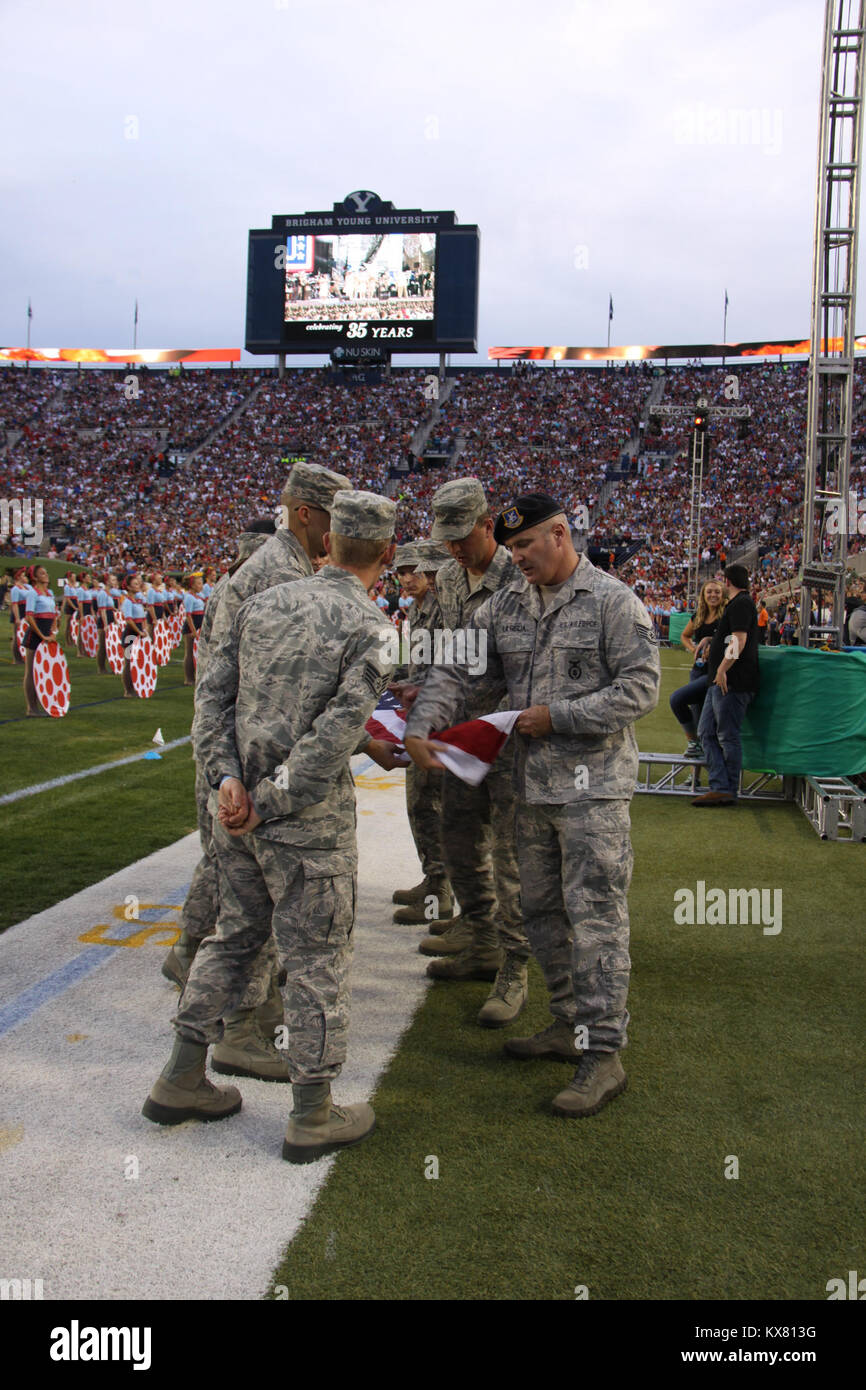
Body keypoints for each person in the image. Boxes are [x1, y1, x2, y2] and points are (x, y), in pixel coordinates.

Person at [142, 489, 399, 1163]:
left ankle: (181, 1075)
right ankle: (312, 1114)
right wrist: (270, 797)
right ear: (388, 554)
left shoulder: (261, 603)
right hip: (304, 825)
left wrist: (229, 785)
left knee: (233, 939)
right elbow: (329, 741)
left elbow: (211, 704)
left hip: (235, 818)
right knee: (317, 961)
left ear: (327, 541)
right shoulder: (372, 629)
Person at [405, 494, 660, 1117]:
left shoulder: (612, 601)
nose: (516, 558)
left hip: (591, 792)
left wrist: (561, 717)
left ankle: (603, 1056)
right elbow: (456, 672)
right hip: (530, 789)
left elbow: (641, 688)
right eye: (512, 548)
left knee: (595, 916)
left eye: (526, 546)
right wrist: (423, 724)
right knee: (542, 912)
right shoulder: (505, 606)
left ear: (561, 534)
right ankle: (568, 1024)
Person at [403, 477, 533, 1030]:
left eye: (463, 535)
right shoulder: (451, 578)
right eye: (445, 538)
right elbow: (452, 652)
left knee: (510, 857)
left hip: (507, 741)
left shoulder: (521, 574)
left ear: (489, 524)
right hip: (458, 737)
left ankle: (516, 966)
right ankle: (481, 939)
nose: (453, 548)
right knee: (458, 839)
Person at [389, 540, 454, 927]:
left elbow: (453, 667)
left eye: (413, 570)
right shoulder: (419, 610)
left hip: (441, 720)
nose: (406, 578)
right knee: (420, 802)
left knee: (431, 804)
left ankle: (441, 892)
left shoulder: (447, 608)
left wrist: (420, 687)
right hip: (423, 715)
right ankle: (434, 878)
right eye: (400, 571)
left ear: (433, 570)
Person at [693, 564, 760, 807]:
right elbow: (732, 637)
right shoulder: (738, 604)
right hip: (721, 681)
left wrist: (722, 668)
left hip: (732, 682)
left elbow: (739, 640)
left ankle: (727, 788)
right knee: (706, 732)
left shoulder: (741, 604)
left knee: (726, 735)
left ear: (728, 581)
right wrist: (713, 638)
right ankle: (720, 786)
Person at [669, 579, 726, 758]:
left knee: (679, 700)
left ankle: (694, 743)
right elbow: (684, 635)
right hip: (698, 670)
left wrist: (715, 648)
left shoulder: (726, 616)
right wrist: (694, 649)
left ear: (722, 594)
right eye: (709, 592)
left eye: (717, 592)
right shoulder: (699, 616)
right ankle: (695, 773)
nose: (713, 595)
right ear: (703, 595)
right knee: (696, 717)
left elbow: (734, 641)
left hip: (715, 672)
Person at [22, 565, 60, 716]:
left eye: (46, 572)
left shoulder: (49, 593)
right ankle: (31, 707)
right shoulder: (32, 593)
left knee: (44, 671)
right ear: (35, 578)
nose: (46, 575)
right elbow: (29, 616)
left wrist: (54, 632)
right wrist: (42, 636)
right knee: (31, 671)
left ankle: (44, 702)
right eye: (42, 574)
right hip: (36, 635)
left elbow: (55, 615)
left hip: (48, 635)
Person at [120, 575, 148, 698]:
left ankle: (136, 686)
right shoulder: (127, 601)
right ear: (129, 587)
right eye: (135, 584)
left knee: (137, 661)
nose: (138, 586)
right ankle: (128, 690)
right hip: (131, 634)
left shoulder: (137, 601)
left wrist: (144, 630)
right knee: (128, 661)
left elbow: (142, 618)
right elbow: (129, 621)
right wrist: (139, 632)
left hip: (139, 632)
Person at [182, 574, 205, 685]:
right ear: (192, 585)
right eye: (199, 583)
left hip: (199, 625)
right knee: (190, 652)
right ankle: (188, 678)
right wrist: (194, 631)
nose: (201, 586)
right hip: (192, 627)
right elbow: (188, 615)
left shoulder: (197, 596)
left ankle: (195, 675)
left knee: (196, 652)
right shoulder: (189, 597)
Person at [8, 565, 30, 665]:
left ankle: (23, 655)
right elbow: (15, 604)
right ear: (18, 577)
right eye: (22, 575)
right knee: (16, 635)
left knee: (26, 634)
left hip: (27, 611)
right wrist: (17, 618)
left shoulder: (27, 587)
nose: (24, 576)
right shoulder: (15, 589)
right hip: (19, 611)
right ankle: (16, 658)